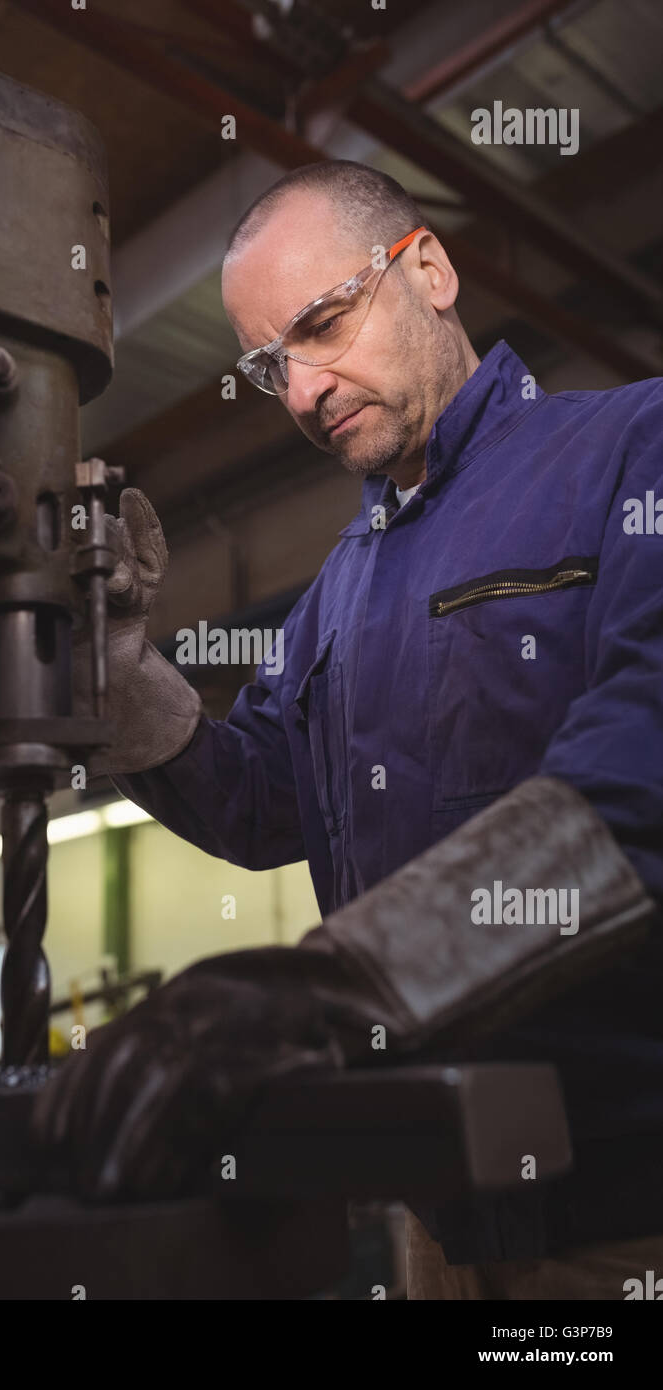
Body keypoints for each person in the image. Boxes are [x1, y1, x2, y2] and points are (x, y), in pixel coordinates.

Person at [34, 161, 663, 1300]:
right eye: (270, 363)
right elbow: (258, 799)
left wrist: (330, 988)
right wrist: (116, 685)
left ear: (426, 267)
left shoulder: (635, 446)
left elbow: (640, 769)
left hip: (627, 1212)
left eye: (322, 323)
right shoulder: (339, 587)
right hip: (435, 1204)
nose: (303, 390)